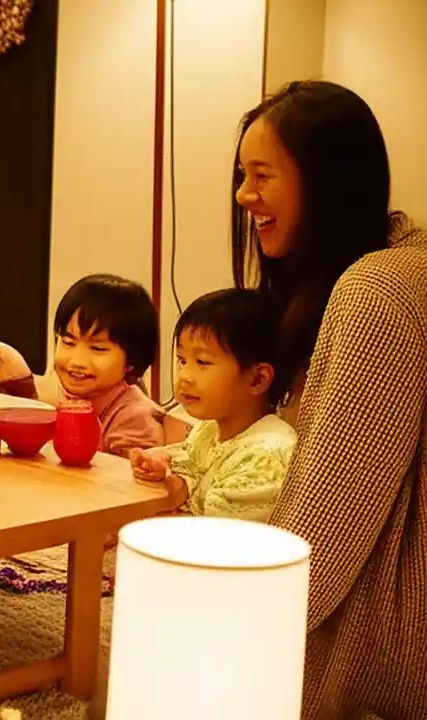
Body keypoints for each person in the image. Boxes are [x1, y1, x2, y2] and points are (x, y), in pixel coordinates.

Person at [232, 80, 427, 719]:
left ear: (327, 182)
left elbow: (328, 514)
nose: (243, 196)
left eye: (262, 176)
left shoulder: (377, 292)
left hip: (394, 627)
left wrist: (238, 618)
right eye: (242, 175)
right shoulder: (367, 274)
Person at [129, 289, 295, 521]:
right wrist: (163, 473)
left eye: (203, 362)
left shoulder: (267, 454)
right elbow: (190, 473)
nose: (184, 376)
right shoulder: (207, 430)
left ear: (258, 379)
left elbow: (220, 539)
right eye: (182, 360)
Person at [49, 274, 163, 456]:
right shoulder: (62, 395)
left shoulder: (134, 418)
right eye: (69, 343)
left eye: (97, 348)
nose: (77, 361)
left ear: (132, 360)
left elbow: (131, 479)